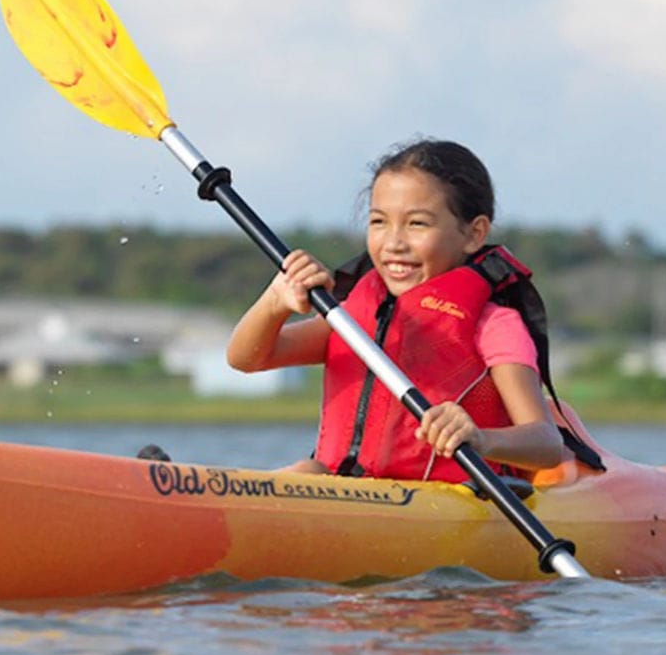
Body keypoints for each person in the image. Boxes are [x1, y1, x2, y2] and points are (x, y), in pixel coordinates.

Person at [226, 138, 573, 480]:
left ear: (474, 233)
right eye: (379, 222)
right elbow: (247, 358)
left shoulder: (495, 325)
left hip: (447, 506)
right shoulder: (352, 317)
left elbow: (545, 443)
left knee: (306, 472)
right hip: (351, 495)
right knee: (309, 471)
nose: (393, 243)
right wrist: (274, 303)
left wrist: (482, 438)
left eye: (417, 223)